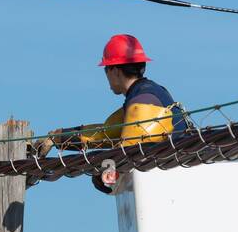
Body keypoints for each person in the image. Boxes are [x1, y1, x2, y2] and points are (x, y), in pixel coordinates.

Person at [34, 34, 191, 165]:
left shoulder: (142, 104)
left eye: (105, 69)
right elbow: (105, 133)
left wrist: (104, 172)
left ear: (115, 70)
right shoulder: (147, 94)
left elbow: (129, 153)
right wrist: (57, 137)